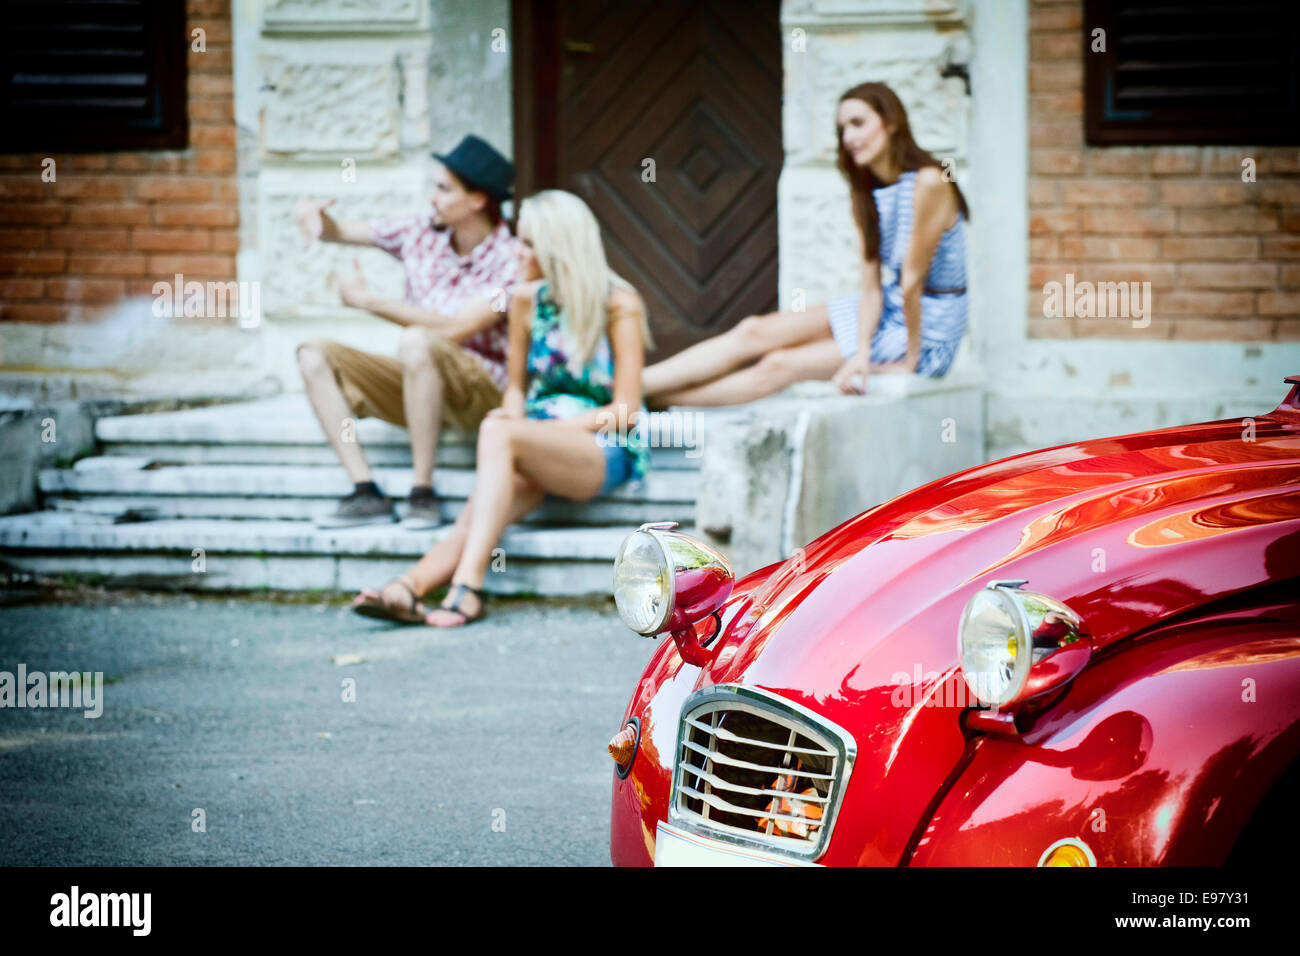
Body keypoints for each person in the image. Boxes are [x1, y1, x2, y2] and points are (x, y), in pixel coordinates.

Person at [351, 190, 652, 627]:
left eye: (528, 242)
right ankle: (409, 587)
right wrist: (512, 415)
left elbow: (627, 409)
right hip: (537, 439)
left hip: (603, 446)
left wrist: (540, 428)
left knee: (500, 436)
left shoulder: (619, 303)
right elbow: (515, 388)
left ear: (558, 247)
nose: (519, 251)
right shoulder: (526, 301)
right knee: (486, 496)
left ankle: (467, 588)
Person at [641, 81, 968, 406]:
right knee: (753, 331)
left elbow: (912, 281)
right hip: (890, 308)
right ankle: (630, 387)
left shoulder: (930, 182)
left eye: (858, 123)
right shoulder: (866, 192)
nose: (849, 138)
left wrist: (910, 360)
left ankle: (643, 400)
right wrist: (863, 350)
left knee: (778, 365)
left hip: (927, 333)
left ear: (892, 122)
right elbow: (870, 289)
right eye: (842, 129)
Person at [295, 134, 521, 529]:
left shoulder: (511, 258)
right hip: (421, 382)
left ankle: (422, 492)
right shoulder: (420, 231)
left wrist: (370, 303)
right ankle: (365, 491)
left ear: (477, 200)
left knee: (418, 339)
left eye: (443, 189)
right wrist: (313, 215)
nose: (432, 198)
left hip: (480, 391)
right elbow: (341, 231)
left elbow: (454, 329)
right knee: (313, 354)